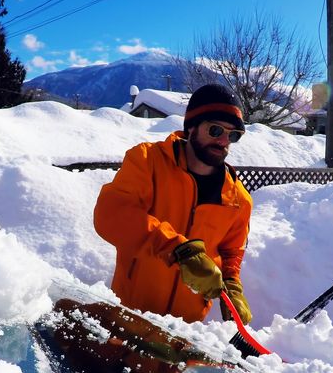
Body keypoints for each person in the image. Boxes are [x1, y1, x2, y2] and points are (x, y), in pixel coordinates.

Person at [94, 83, 254, 325]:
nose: (224, 141)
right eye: (215, 130)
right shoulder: (148, 162)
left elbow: (231, 251)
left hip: (184, 332)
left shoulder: (238, 199)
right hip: (128, 319)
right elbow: (111, 213)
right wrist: (177, 248)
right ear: (190, 128)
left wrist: (232, 284)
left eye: (233, 135)